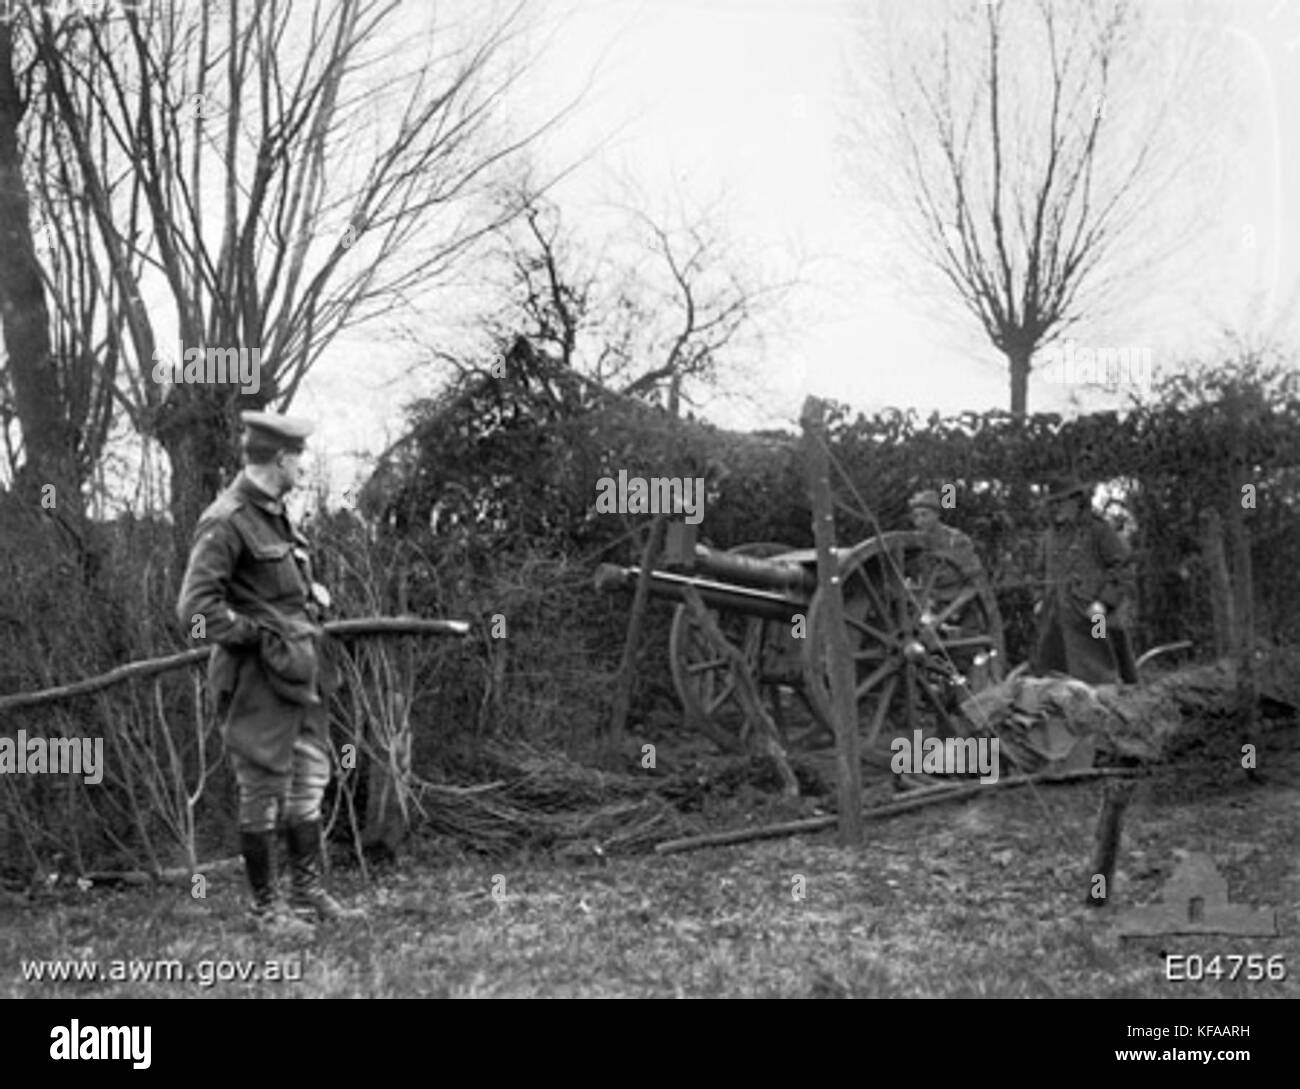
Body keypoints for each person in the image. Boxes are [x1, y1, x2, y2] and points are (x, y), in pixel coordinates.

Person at [176, 410, 363, 928]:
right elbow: (195, 611)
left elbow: (273, 590)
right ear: (279, 458)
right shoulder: (227, 519)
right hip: (256, 683)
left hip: (299, 678)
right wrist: (261, 635)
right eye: (298, 456)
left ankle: (307, 894)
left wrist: (310, 599)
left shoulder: (276, 516)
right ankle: (265, 908)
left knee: (307, 785)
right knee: (262, 791)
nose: (302, 466)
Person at [1033, 477, 1139, 685]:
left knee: (1101, 667)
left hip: (1094, 614)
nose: (1056, 509)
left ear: (1076, 501)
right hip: (1055, 618)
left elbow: (1122, 570)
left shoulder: (1098, 530)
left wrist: (1103, 602)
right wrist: (1038, 600)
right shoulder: (1049, 536)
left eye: (1060, 502)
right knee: (1052, 677)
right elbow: (1038, 574)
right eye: (1052, 504)